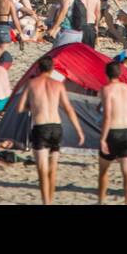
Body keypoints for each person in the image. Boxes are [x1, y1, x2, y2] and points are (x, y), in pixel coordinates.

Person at [14, 54, 83, 205]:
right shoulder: (58, 85)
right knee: (53, 169)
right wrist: (79, 131)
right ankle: (50, 199)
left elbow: (19, 108)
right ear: (52, 69)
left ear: (38, 68)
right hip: (56, 128)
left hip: (40, 127)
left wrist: (33, 106)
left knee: (42, 171)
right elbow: (69, 109)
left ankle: (46, 202)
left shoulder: (31, 84)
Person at [98, 60, 127, 204]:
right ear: (120, 74)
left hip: (113, 131)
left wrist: (103, 138)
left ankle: (101, 200)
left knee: (103, 170)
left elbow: (107, 115)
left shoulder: (106, 89)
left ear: (106, 74)